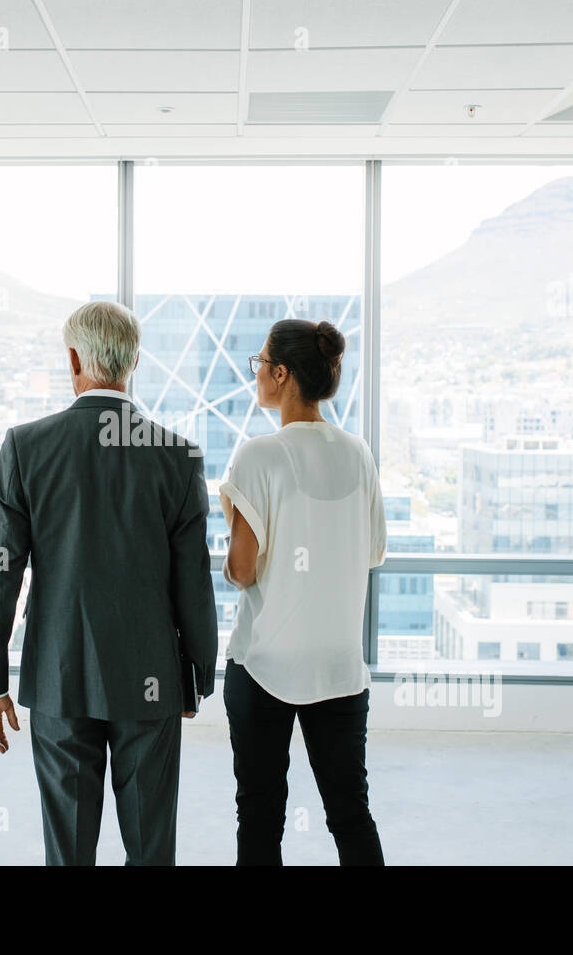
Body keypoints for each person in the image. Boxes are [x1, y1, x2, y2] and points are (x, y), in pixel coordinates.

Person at [0, 300, 217, 866]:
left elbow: (1, 574)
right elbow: (193, 580)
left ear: (75, 359)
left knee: (69, 848)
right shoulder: (178, 456)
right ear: (134, 363)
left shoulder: (26, 447)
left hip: (60, 675)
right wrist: (195, 677)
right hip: (151, 676)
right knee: (151, 846)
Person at [218, 318, 388, 866]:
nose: (257, 374)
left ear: (283, 374)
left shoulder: (258, 454)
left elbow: (243, 571)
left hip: (265, 664)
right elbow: (373, 552)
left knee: (261, 815)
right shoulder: (359, 453)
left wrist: (236, 521)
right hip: (339, 667)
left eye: (260, 364)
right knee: (350, 813)